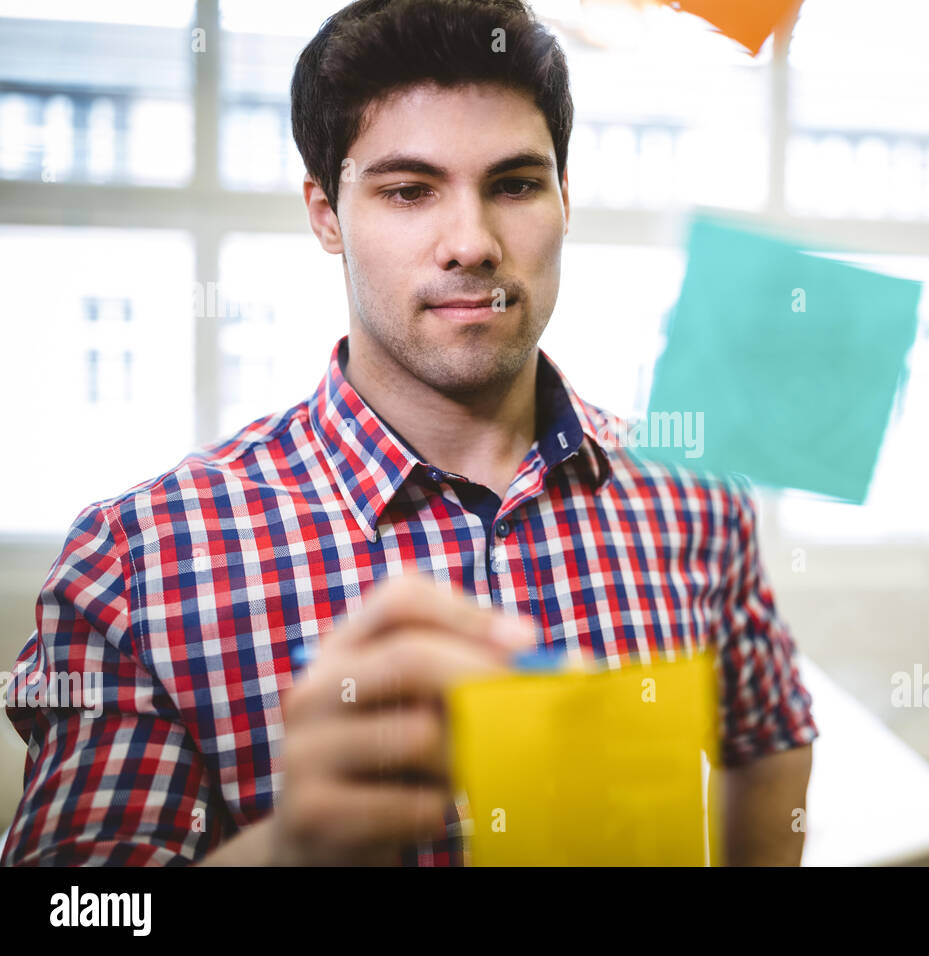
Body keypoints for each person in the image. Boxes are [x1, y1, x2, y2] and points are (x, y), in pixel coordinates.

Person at [2, 0, 817, 867]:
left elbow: (769, 735)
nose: (471, 242)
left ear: (565, 200)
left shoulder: (693, 493)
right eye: (408, 190)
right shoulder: (137, 562)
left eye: (514, 184)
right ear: (326, 214)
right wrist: (288, 853)